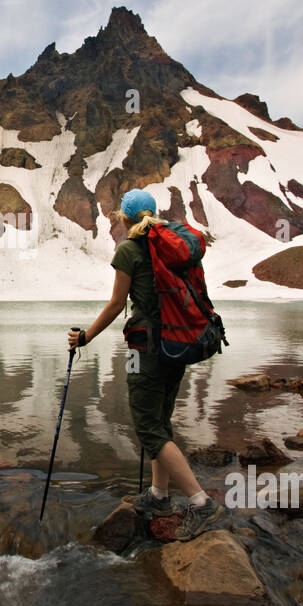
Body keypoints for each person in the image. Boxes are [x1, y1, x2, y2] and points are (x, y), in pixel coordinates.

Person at [67, 188, 223, 541]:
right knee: (161, 419)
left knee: (148, 425)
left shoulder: (129, 250)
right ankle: (159, 496)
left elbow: (116, 305)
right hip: (178, 343)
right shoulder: (174, 246)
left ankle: (201, 503)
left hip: (145, 350)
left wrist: (86, 337)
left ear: (125, 218)